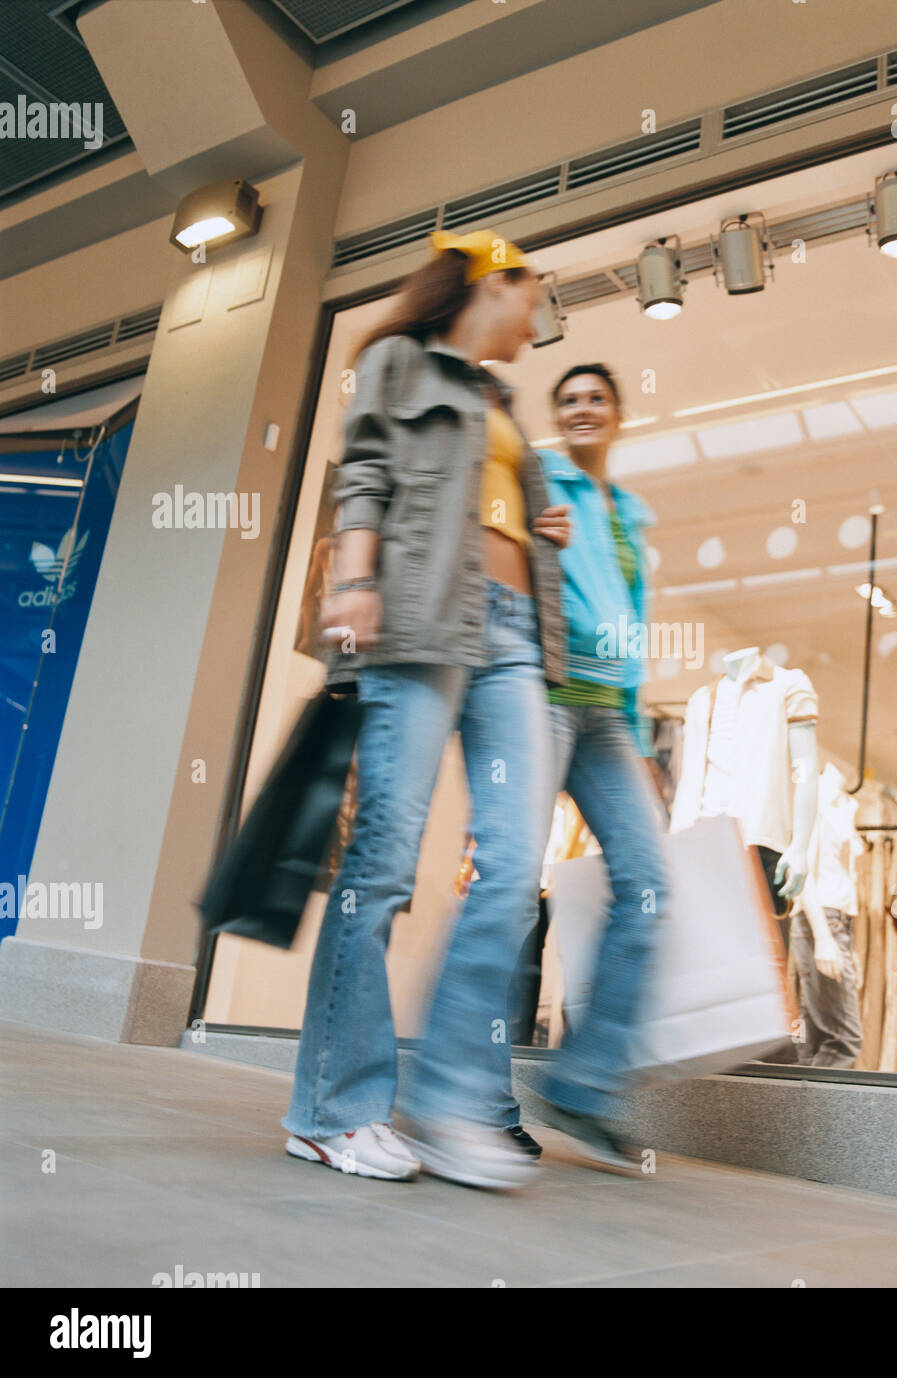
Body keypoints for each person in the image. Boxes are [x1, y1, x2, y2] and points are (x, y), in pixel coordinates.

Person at [282, 229, 571, 1191]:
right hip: (422, 620)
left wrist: (538, 524)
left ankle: (449, 1104)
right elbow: (364, 472)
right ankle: (333, 1109)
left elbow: (483, 504)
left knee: (511, 869)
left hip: (516, 636)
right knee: (385, 867)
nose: (541, 318)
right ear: (495, 281)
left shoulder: (503, 404)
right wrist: (353, 582)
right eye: (535, 294)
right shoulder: (398, 360)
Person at [501, 363, 670, 1170]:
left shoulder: (632, 513)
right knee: (503, 882)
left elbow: (631, 626)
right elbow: (504, 560)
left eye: (595, 398)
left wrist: (638, 733)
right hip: (544, 693)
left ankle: (584, 1083)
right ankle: (463, 1085)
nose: (580, 409)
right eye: (566, 399)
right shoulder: (541, 478)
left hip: (607, 717)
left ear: (617, 413)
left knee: (649, 883)